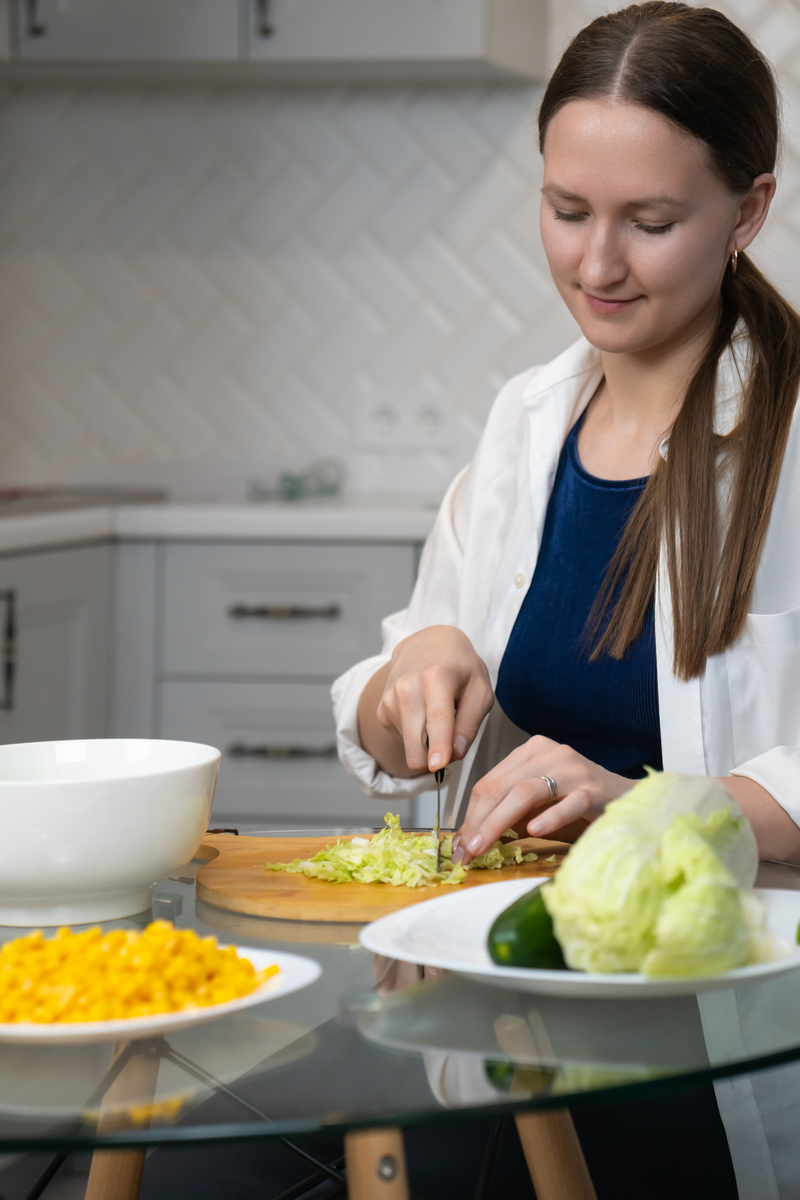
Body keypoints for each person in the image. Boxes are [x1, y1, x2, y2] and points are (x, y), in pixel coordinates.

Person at [333, 4, 800, 1197]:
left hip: (716, 1047)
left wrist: (656, 812)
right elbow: (384, 711)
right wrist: (410, 676)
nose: (595, 266)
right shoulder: (524, 421)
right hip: (507, 1014)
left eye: (649, 222)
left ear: (746, 209)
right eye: (565, 210)